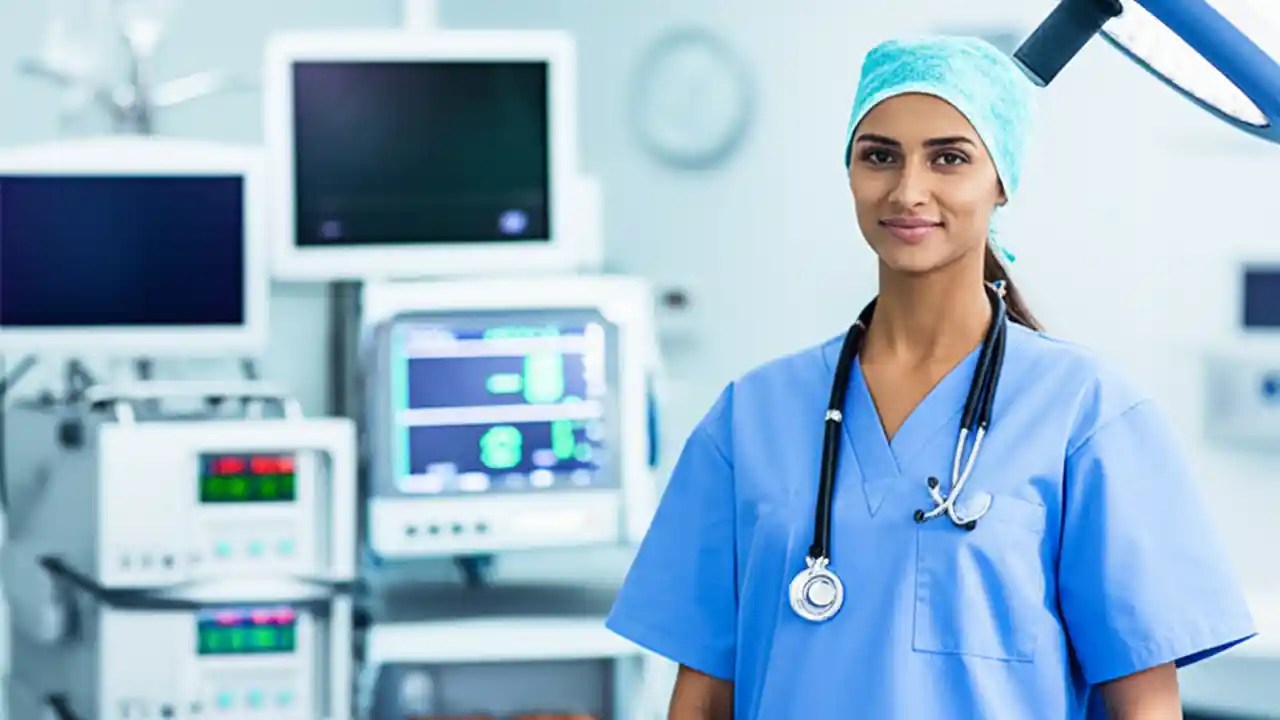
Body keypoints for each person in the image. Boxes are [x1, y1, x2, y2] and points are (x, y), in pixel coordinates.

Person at [605, 35, 1256, 719]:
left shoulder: (1087, 416)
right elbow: (703, 697)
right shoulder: (751, 417)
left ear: (1001, 180)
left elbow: (1145, 707)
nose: (908, 190)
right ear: (851, 173)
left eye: (949, 157)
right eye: (879, 156)